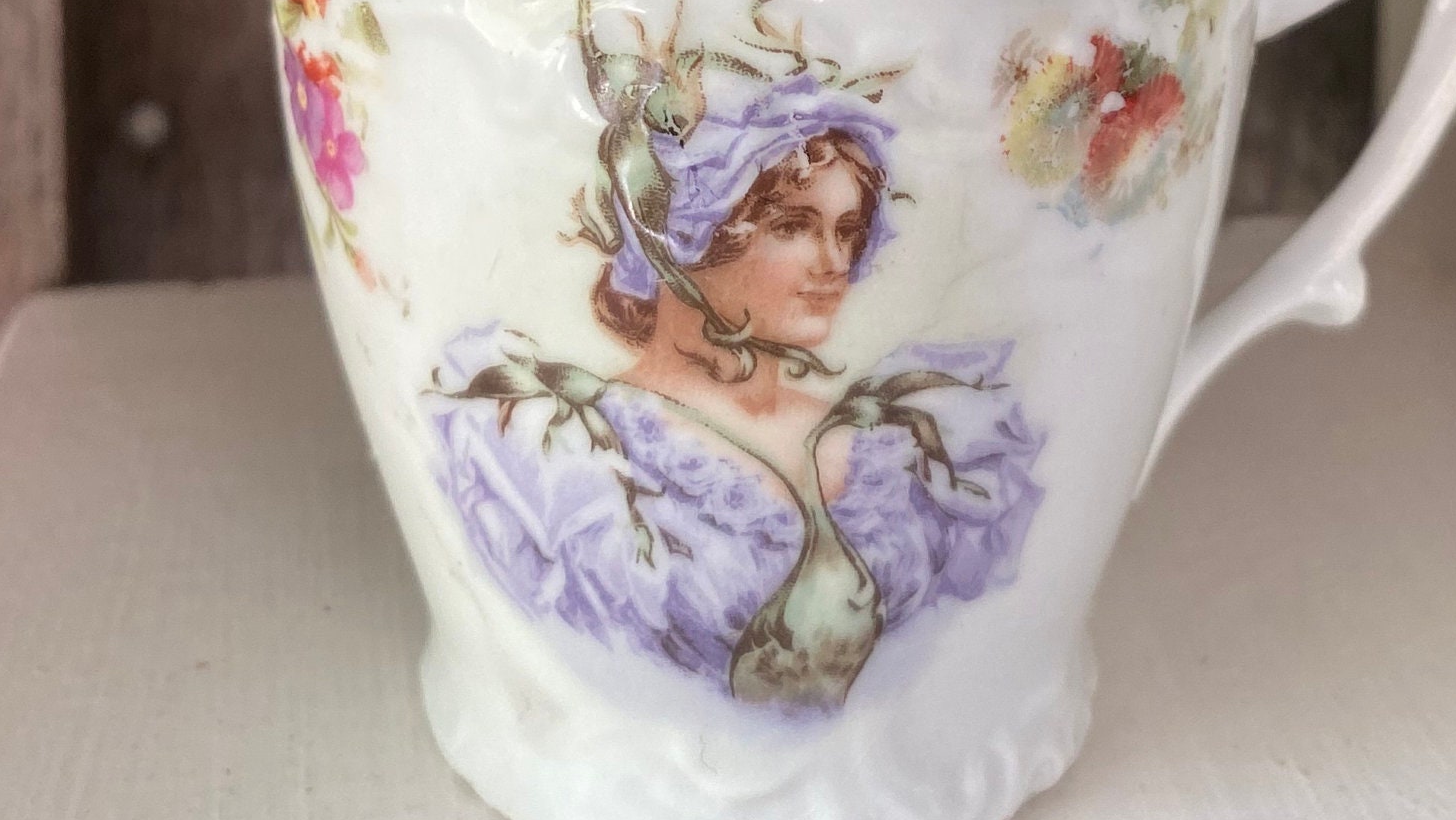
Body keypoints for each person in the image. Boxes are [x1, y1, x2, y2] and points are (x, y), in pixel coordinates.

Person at [427, 54, 1044, 712]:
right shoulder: (564, 459)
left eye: (848, 230)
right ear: (684, 236)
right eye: (793, 227)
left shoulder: (904, 438)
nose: (835, 263)